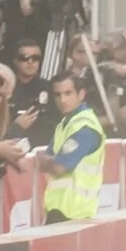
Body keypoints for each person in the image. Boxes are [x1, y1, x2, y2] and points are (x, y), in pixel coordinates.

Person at [35, 71, 104, 223]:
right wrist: (49, 161)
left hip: (75, 213)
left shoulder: (85, 127)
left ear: (81, 94)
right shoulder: (65, 124)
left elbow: (59, 167)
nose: (62, 100)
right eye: (58, 95)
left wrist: (44, 160)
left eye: (68, 93)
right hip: (60, 210)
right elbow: (50, 160)